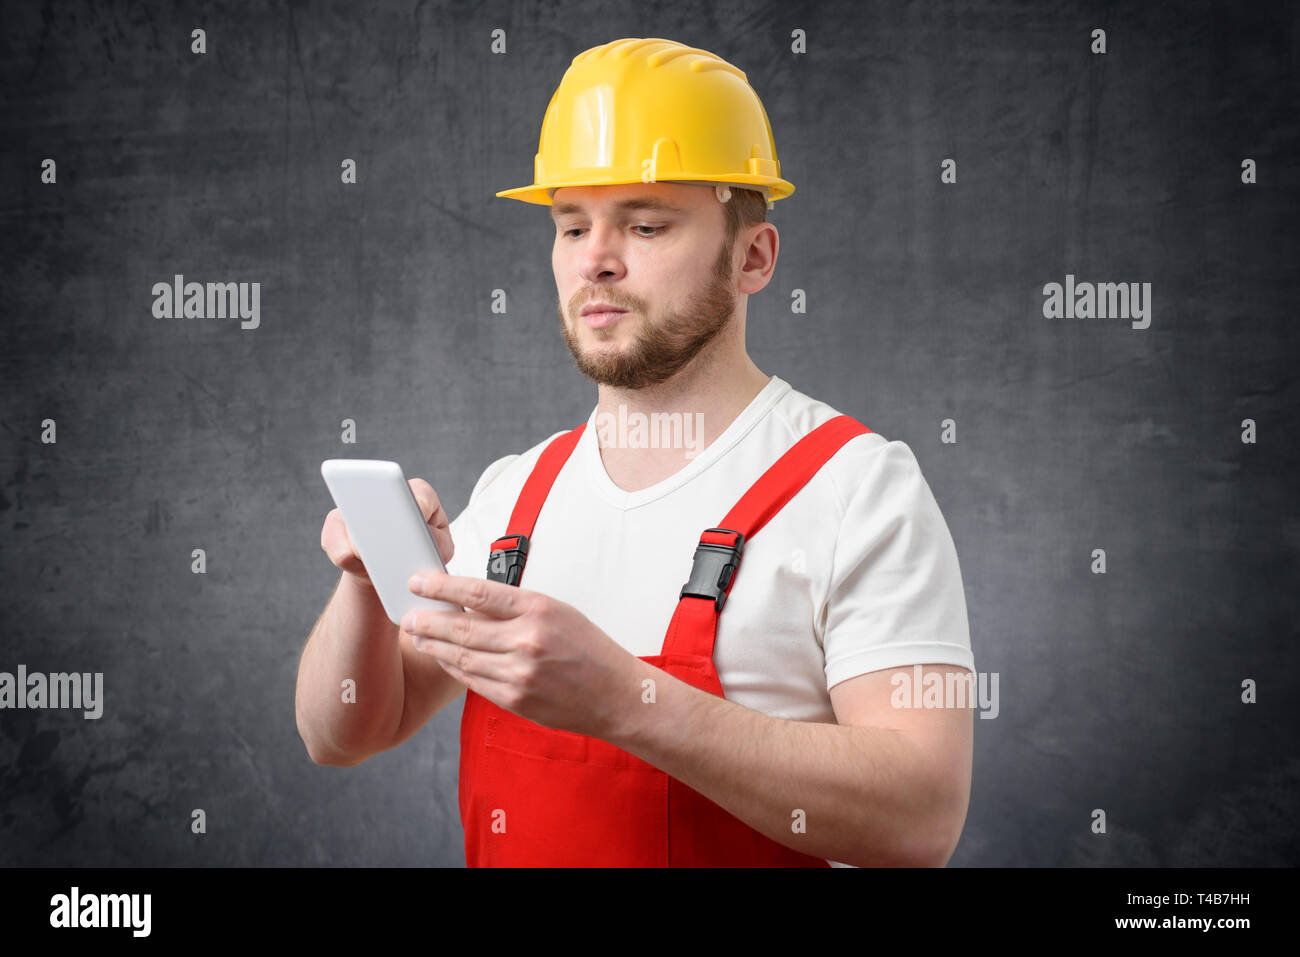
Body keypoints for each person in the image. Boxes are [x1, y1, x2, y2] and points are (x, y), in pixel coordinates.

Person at [296, 37, 975, 867]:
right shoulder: (517, 497)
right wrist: (364, 586)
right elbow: (346, 730)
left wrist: (628, 701)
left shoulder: (856, 488)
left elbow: (921, 819)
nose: (596, 260)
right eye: (571, 224)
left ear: (753, 258)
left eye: (645, 224)